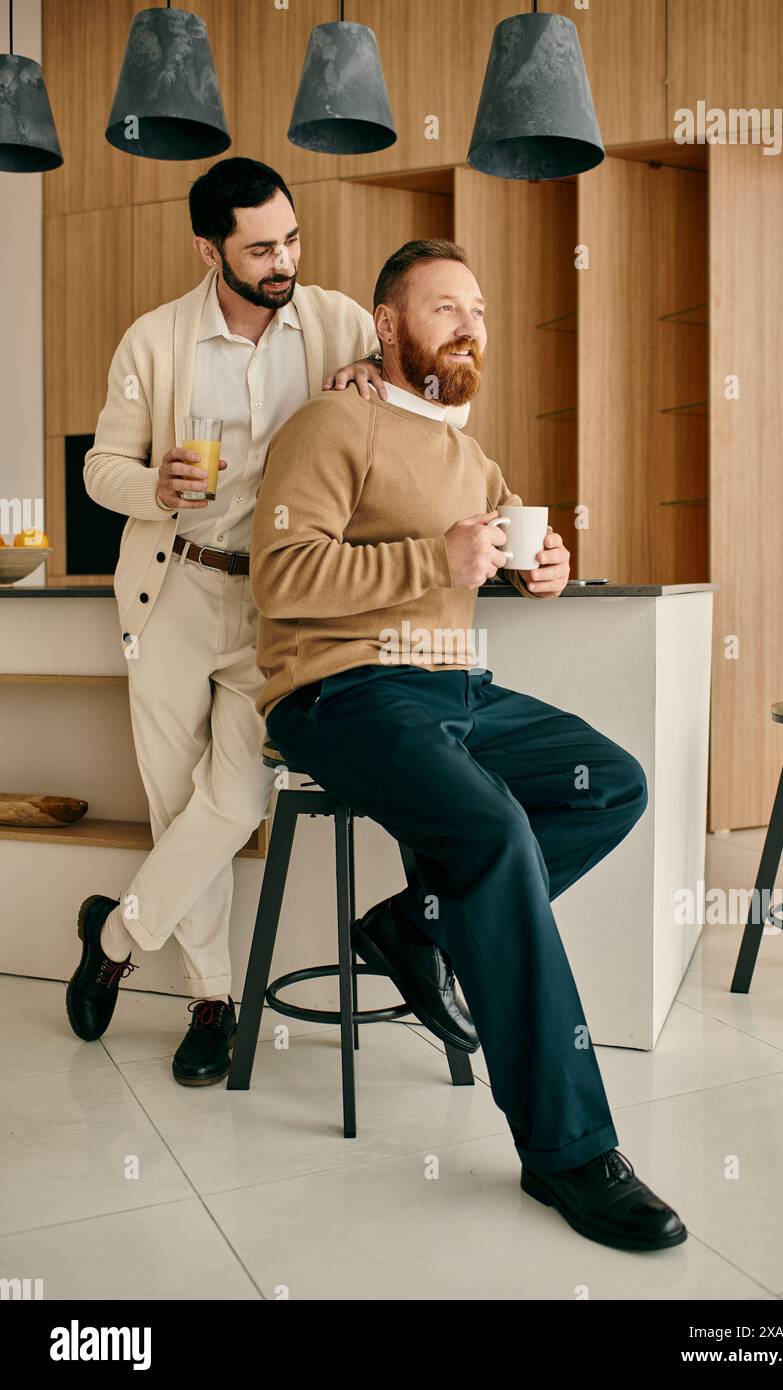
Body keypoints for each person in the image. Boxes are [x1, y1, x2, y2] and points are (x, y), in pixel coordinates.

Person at [249, 238, 688, 1251]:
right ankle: (570, 1150)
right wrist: (431, 555)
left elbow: (479, 548)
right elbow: (280, 579)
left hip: (450, 682)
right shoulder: (330, 421)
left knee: (608, 785)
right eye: (443, 306)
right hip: (340, 689)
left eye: (478, 309)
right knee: (491, 834)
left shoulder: (463, 446)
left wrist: (536, 570)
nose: (467, 324)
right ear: (388, 324)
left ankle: (416, 924)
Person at [65, 157, 414, 1084]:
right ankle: (211, 1001)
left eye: (291, 238)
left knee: (235, 797)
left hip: (282, 604)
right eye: (260, 247)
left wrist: (373, 371)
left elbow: (423, 392)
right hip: (175, 591)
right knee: (178, 801)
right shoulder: (154, 341)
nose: (282, 259)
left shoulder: (337, 319)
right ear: (208, 248)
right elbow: (103, 467)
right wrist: (155, 485)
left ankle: (114, 932)